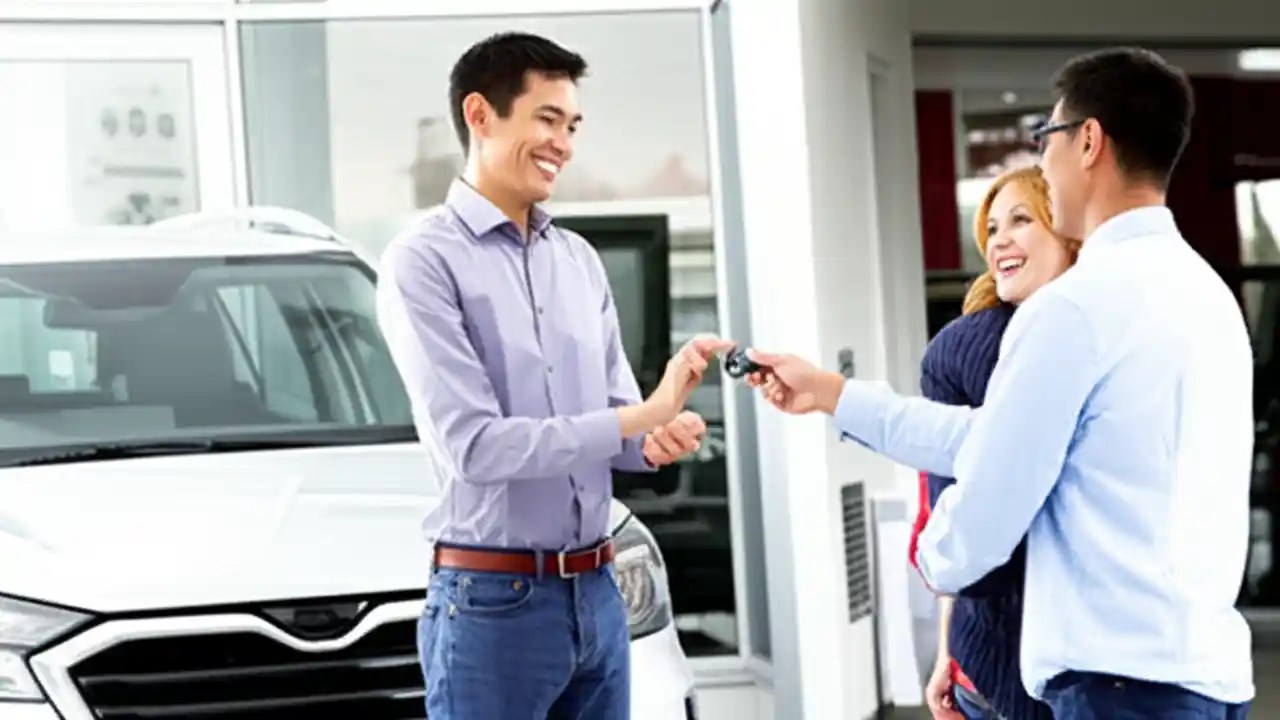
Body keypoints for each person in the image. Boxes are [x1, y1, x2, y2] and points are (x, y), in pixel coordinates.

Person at [747, 47, 1254, 718]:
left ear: (1089, 142)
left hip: (1116, 688)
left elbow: (993, 489)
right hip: (1209, 677)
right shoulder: (1208, 296)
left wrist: (932, 559)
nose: (1041, 159)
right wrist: (833, 395)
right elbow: (989, 436)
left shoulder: (1072, 309)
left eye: (1046, 138)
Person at [376, 32, 731, 720]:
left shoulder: (577, 260)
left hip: (600, 594)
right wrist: (641, 416)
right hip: (492, 608)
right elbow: (476, 449)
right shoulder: (423, 262)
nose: (563, 144)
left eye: (570, 125)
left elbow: (622, 428)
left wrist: (660, 432)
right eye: (545, 119)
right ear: (480, 116)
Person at [911, 166, 1076, 720]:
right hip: (1001, 666)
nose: (999, 239)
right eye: (993, 228)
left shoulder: (1108, 332)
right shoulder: (963, 352)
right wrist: (946, 656)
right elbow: (949, 516)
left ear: (1070, 231)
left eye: (1022, 220)